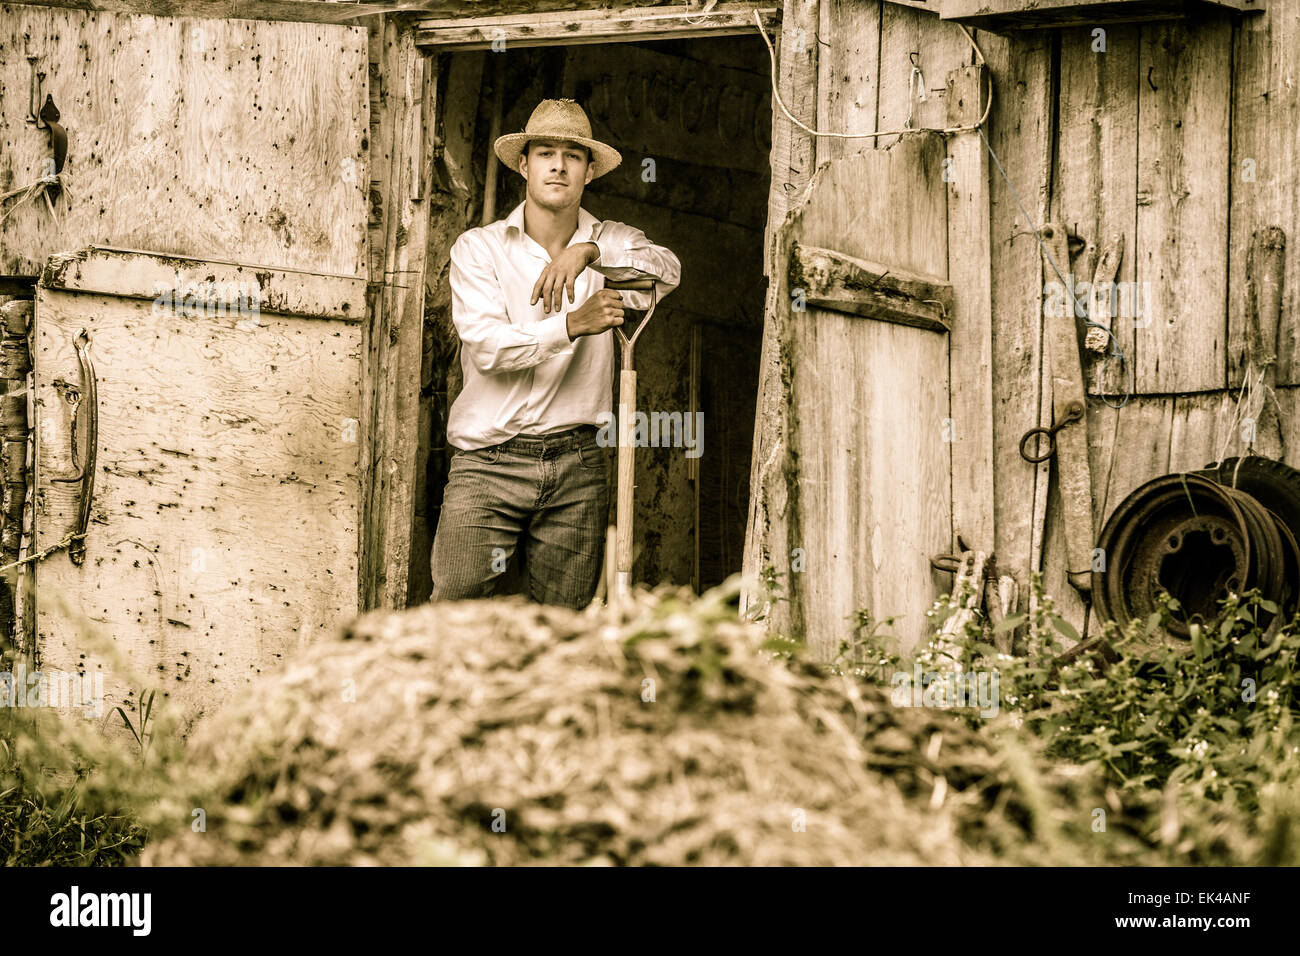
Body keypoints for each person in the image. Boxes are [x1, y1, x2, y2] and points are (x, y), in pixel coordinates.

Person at [430, 98, 681, 609]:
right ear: (524, 165)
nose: (559, 165)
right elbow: (488, 348)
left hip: (576, 465)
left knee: (563, 627)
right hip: (488, 464)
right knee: (452, 616)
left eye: (572, 155)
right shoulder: (480, 249)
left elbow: (667, 272)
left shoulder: (611, 242)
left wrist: (591, 252)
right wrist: (572, 324)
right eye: (545, 152)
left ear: (589, 172)